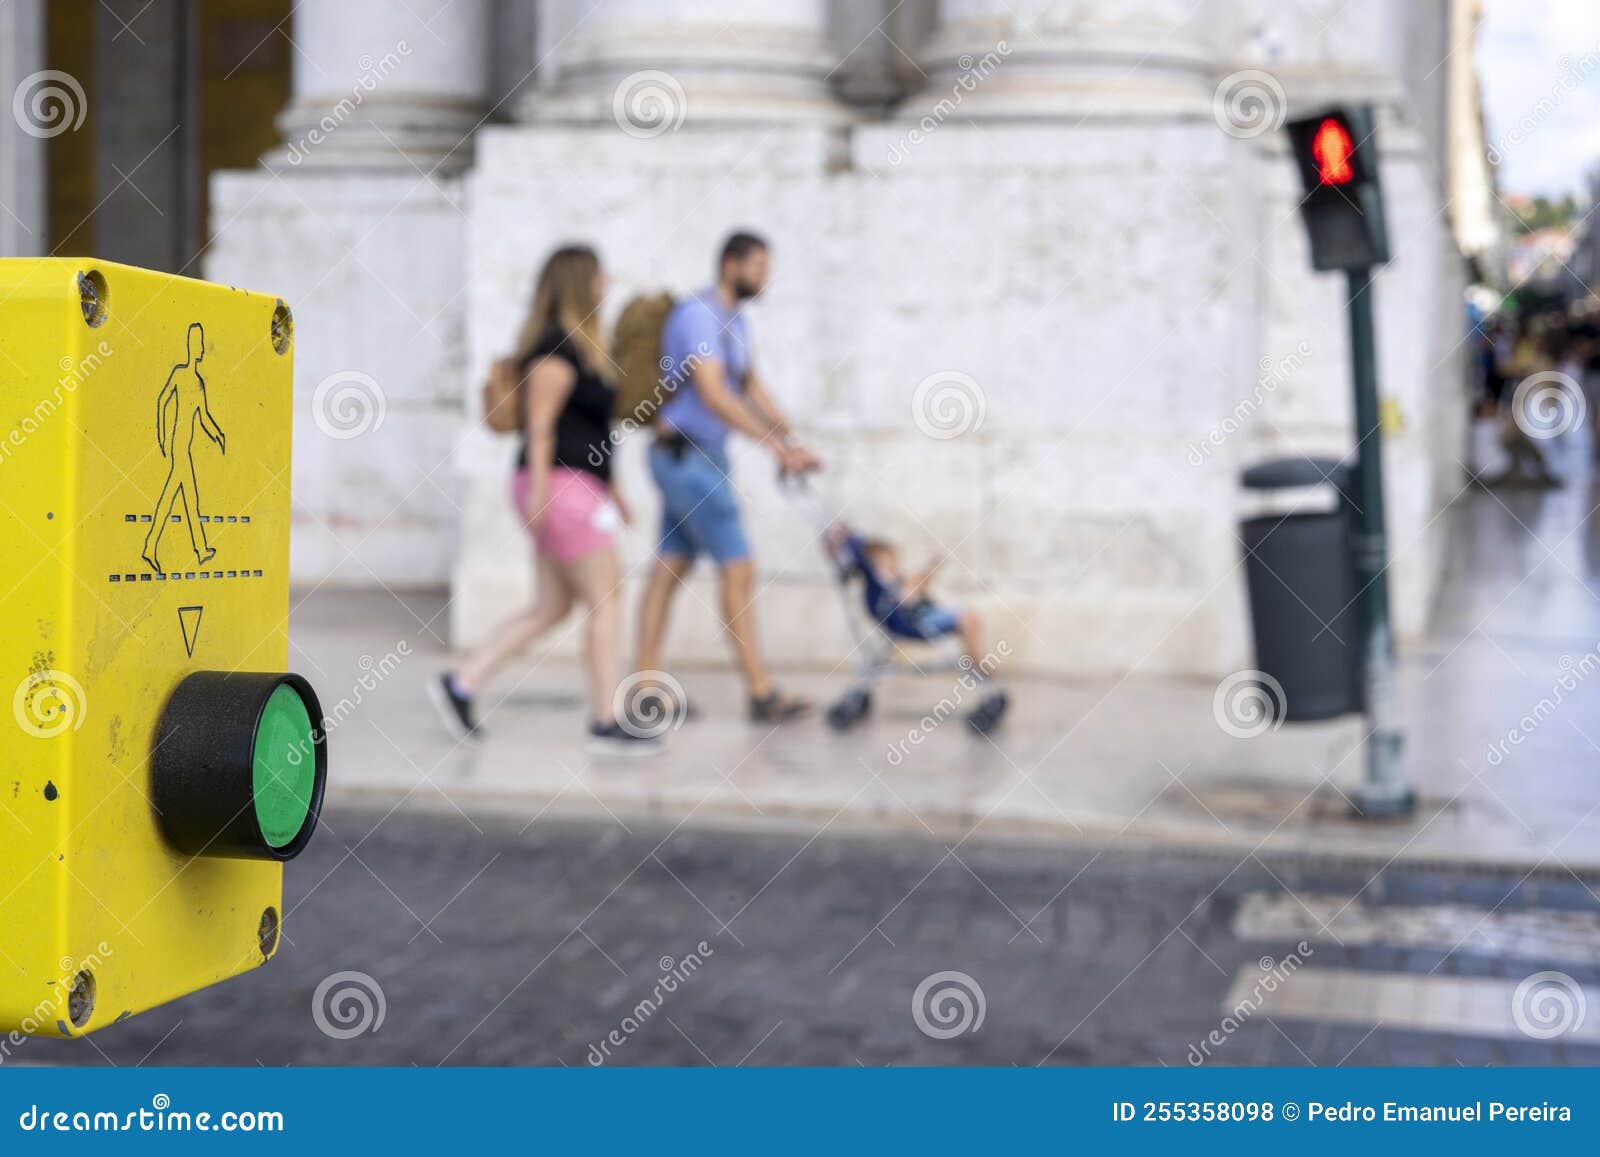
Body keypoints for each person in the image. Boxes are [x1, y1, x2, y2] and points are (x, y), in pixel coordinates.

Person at [431, 244, 659, 754]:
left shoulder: (580, 348)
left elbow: (589, 431)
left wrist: (614, 490)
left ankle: (462, 682)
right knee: (606, 600)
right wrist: (538, 496)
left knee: (552, 606)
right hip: (559, 488)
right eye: (600, 278)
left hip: (571, 487)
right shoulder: (557, 350)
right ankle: (605, 722)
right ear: (580, 283)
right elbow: (540, 427)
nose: (607, 285)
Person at [633, 231, 821, 722]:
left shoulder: (736, 321)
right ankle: (760, 692)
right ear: (730, 263)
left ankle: (645, 686)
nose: (765, 276)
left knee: (669, 568)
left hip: (703, 458)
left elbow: (750, 385)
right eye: (758, 265)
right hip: (685, 458)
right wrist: (774, 447)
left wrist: (791, 442)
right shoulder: (698, 315)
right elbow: (715, 394)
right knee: (737, 567)